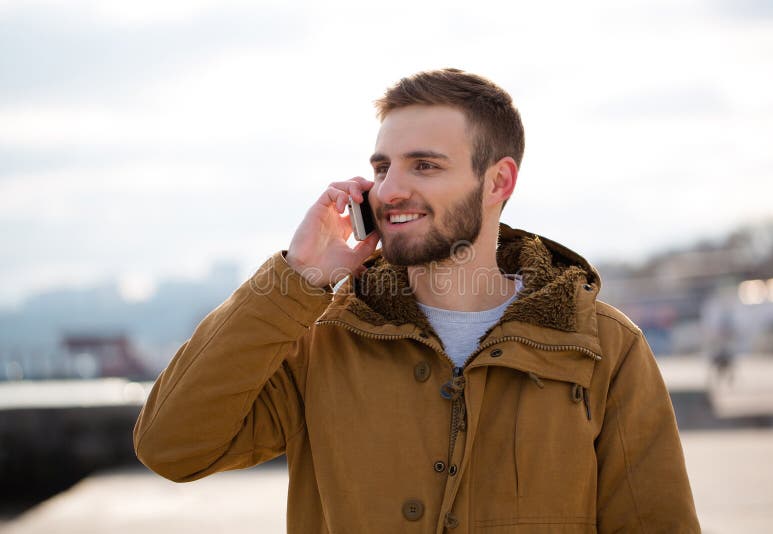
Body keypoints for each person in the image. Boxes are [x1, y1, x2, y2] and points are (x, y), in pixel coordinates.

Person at [134, 68, 700, 532]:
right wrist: (297, 277)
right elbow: (172, 447)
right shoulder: (320, 342)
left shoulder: (602, 345)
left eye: (424, 165)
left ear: (499, 182)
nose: (390, 189)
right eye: (382, 167)